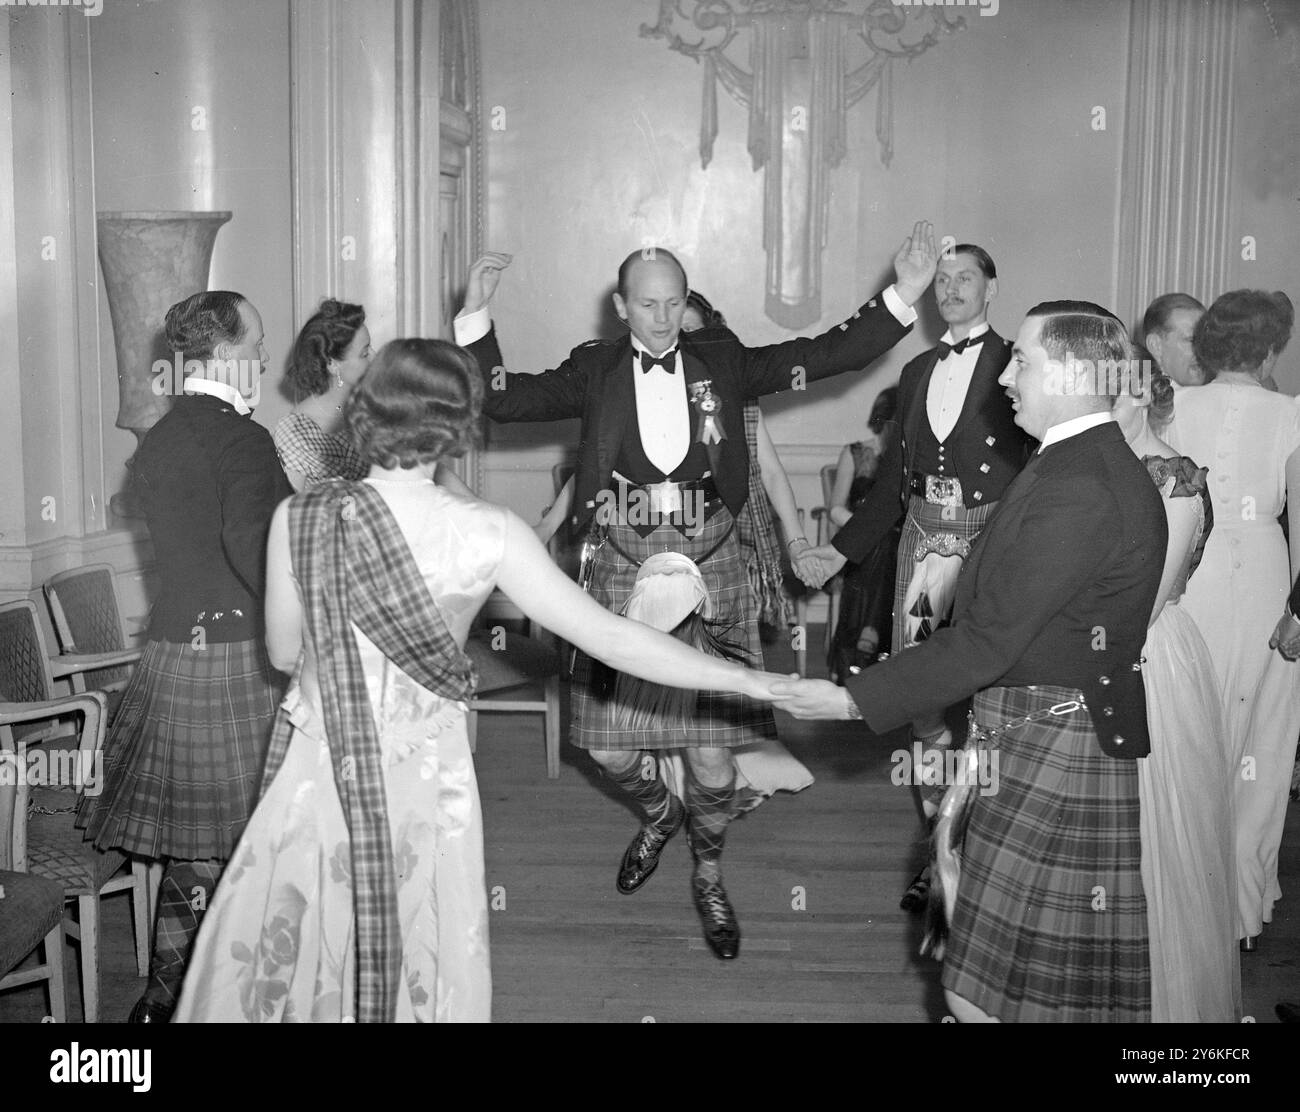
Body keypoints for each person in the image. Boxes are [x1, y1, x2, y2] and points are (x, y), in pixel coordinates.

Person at [173, 339, 786, 1022]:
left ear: (363, 411)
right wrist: (760, 685)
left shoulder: (300, 519)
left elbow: (284, 654)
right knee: (415, 952)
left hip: (320, 774)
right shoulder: (486, 532)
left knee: (305, 946)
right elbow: (614, 639)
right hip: (424, 783)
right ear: (459, 430)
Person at [453, 224, 936, 959]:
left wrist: (901, 295)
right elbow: (502, 402)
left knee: (713, 764)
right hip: (621, 557)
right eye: (647, 304)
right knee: (611, 753)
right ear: (621, 305)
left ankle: (708, 871)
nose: (663, 317)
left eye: (674, 303)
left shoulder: (723, 359)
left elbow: (819, 356)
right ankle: (656, 813)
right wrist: (477, 319)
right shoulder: (595, 368)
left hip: (715, 563)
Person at [773, 302, 1168, 1022]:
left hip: (1052, 737)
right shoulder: (1072, 462)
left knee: (987, 988)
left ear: (1077, 373)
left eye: (1023, 360)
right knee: (1012, 988)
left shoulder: (1083, 482)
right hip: (1034, 732)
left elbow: (987, 640)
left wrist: (849, 700)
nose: (1006, 377)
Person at [77, 291, 294, 1023]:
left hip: (174, 651)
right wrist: (302, 624)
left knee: (201, 844)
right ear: (227, 352)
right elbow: (254, 549)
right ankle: (214, 996)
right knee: (243, 839)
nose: (264, 354)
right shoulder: (245, 439)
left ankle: (165, 1000)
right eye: (257, 340)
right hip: (237, 657)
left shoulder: (160, 436)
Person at [798, 244, 1033, 911]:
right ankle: (938, 845)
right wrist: (839, 553)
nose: (952, 289)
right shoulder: (918, 369)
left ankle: (984, 854)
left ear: (992, 287)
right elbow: (891, 489)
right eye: (942, 280)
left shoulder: (1022, 363)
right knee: (923, 702)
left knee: (990, 705)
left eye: (966, 278)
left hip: (994, 548)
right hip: (925, 546)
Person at [1163, 288, 1300, 951]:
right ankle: (1239, 914)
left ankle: (1182, 901)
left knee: (1190, 734)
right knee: (1263, 745)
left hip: (1194, 575)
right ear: (1273, 347)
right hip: (1270, 581)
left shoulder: (1176, 408)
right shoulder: (1291, 414)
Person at [1112, 360, 1240, 1021]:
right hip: (1105, 653)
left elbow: (1145, 604)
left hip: (1148, 661)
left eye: (1124, 387)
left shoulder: (1180, 481)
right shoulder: (1093, 466)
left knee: (1160, 840)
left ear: (1151, 397)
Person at [276, 298, 474, 496]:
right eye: (364, 353)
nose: (374, 355)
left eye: (370, 347)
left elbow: (430, 469)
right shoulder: (295, 431)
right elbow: (292, 510)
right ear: (333, 364)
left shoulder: (378, 409)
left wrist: (476, 504)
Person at [824, 387, 900, 683]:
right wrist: (867, 527)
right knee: (879, 546)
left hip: (897, 544)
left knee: (889, 545)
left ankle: (863, 647)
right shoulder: (855, 453)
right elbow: (834, 509)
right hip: (858, 543)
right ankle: (870, 645)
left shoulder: (910, 460)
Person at [1140, 292, 1205, 389]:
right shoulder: (1136, 400)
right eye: (1191, 340)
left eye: (1206, 340)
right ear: (1156, 346)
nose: (1203, 350)